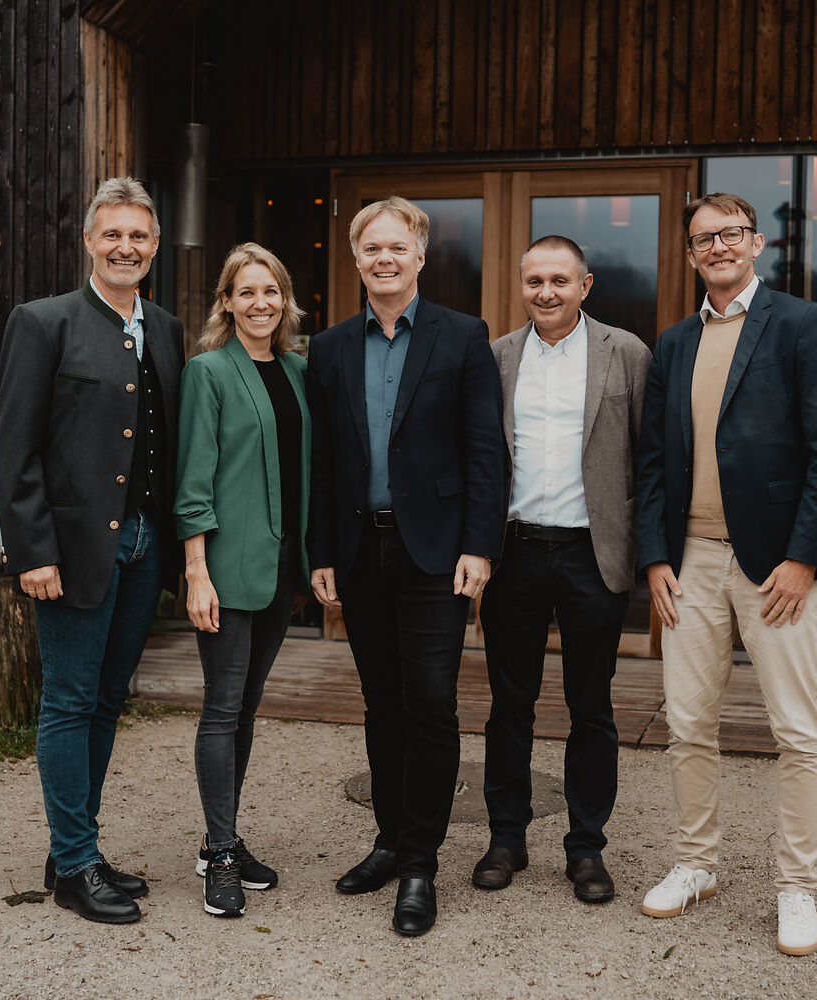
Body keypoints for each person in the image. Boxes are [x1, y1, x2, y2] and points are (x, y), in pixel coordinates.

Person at [634, 192, 817, 956]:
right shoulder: (674, 343)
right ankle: (696, 865)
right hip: (689, 562)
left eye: (730, 234)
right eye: (702, 240)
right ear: (690, 255)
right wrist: (656, 557)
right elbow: (654, 461)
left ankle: (797, 889)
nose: (717, 247)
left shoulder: (799, 324)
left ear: (756, 242)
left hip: (775, 569)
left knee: (798, 730)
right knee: (689, 725)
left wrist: (804, 559)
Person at [306, 195, 507, 937]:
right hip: (360, 551)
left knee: (430, 703)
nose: (384, 259)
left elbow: (486, 452)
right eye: (371, 248)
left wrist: (479, 546)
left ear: (420, 256)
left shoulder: (461, 337)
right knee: (381, 703)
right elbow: (324, 461)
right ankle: (390, 840)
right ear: (356, 258)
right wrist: (320, 553)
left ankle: (420, 863)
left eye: (398, 247)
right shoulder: (327, 350)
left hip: (435, 554)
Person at [0, 176, 185, 924]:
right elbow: (16, 450)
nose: (125, 247)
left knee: (109, 699)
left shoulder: (165, 329)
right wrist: (32, 551)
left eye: (139, 236)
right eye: (112, 234)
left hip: (143, 545)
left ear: (156, 246)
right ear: (88, 242)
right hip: (70, 551)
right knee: (70, 703)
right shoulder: (44, 323)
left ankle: (71, 845)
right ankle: (75, 865)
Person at [474, 236, 650, 904]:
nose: (545, 292)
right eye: (534, 281)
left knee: (591, 708)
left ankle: (585, 849)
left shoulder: (626, 353)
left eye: (559, 280)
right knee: (509, 706)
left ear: (586, 284)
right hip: (516, 551)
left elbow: (647, 455)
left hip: (591, 553)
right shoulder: (496, 359)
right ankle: (506, 839)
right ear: (521, 286)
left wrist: (645, 550)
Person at [176, 243, 310, 919]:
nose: (261, 303)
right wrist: (196, 572)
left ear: (285, 300)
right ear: (225, 301)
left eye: (272, 291)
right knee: (222, 708)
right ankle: (221, 857)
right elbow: (193, 481)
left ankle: (217, 836)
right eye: (247, 291)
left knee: (247, 708)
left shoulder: (296, 370)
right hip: (225, 569)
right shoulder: (208, 372)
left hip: (280, 567)